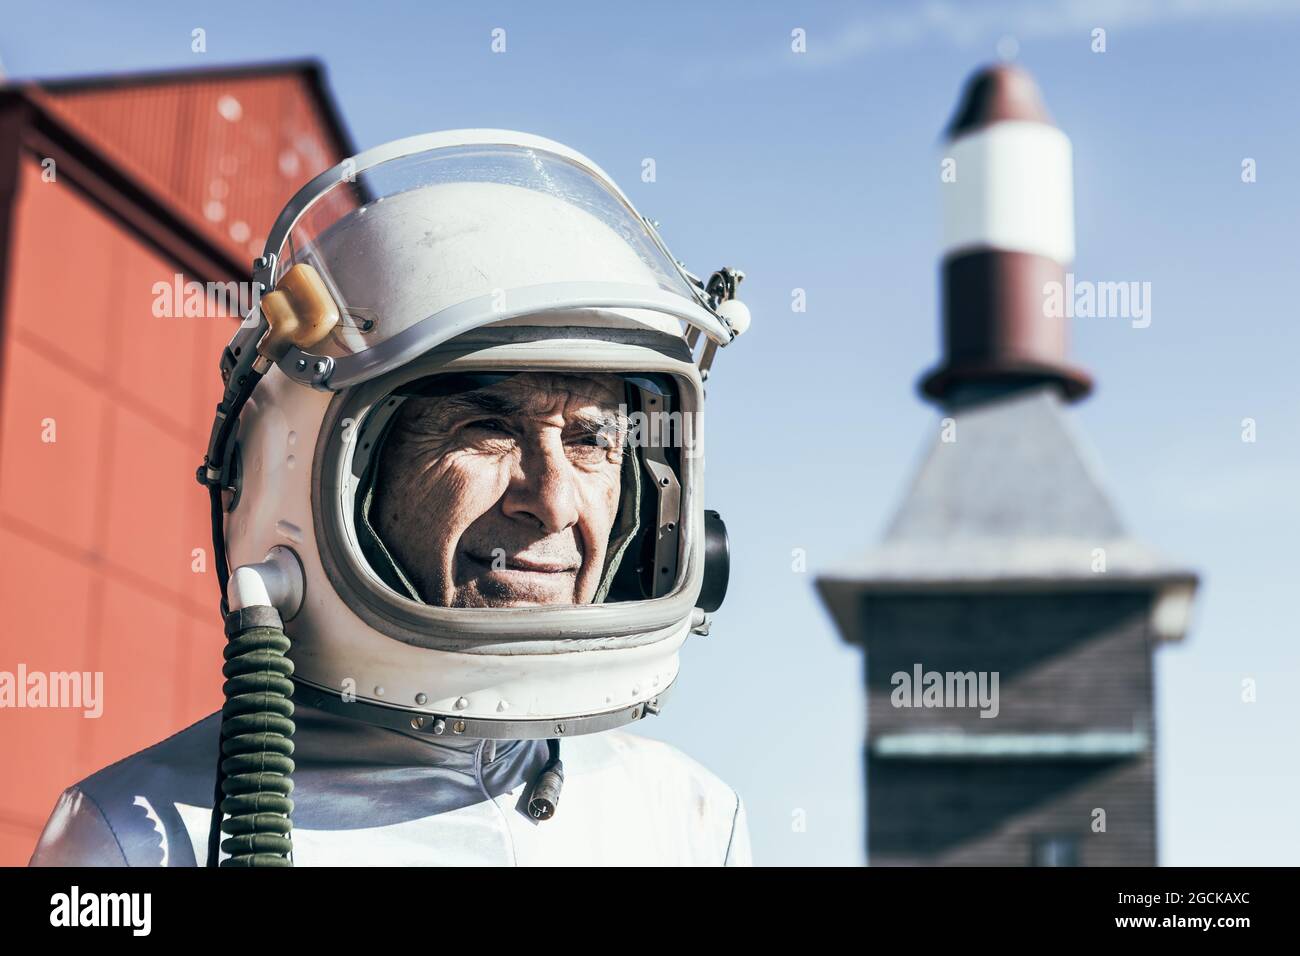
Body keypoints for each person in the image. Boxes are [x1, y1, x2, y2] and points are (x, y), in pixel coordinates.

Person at [29, 131, 752, 866]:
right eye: (488, 429)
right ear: (334, 478)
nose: (554, 501)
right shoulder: (133, 837)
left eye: (590, 441)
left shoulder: (690, 822)